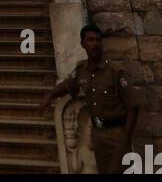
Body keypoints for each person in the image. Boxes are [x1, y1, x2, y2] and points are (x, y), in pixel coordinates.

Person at [40, 25, 139, 174]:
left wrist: (125, 138)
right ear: (83, 44)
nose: (95, 44)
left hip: (116, 133)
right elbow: (67, 85)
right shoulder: (82, 70)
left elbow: (133, 106)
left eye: (98, 40)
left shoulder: (115, 71)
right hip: (97, 133)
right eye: (90, 40)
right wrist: (50, 94)